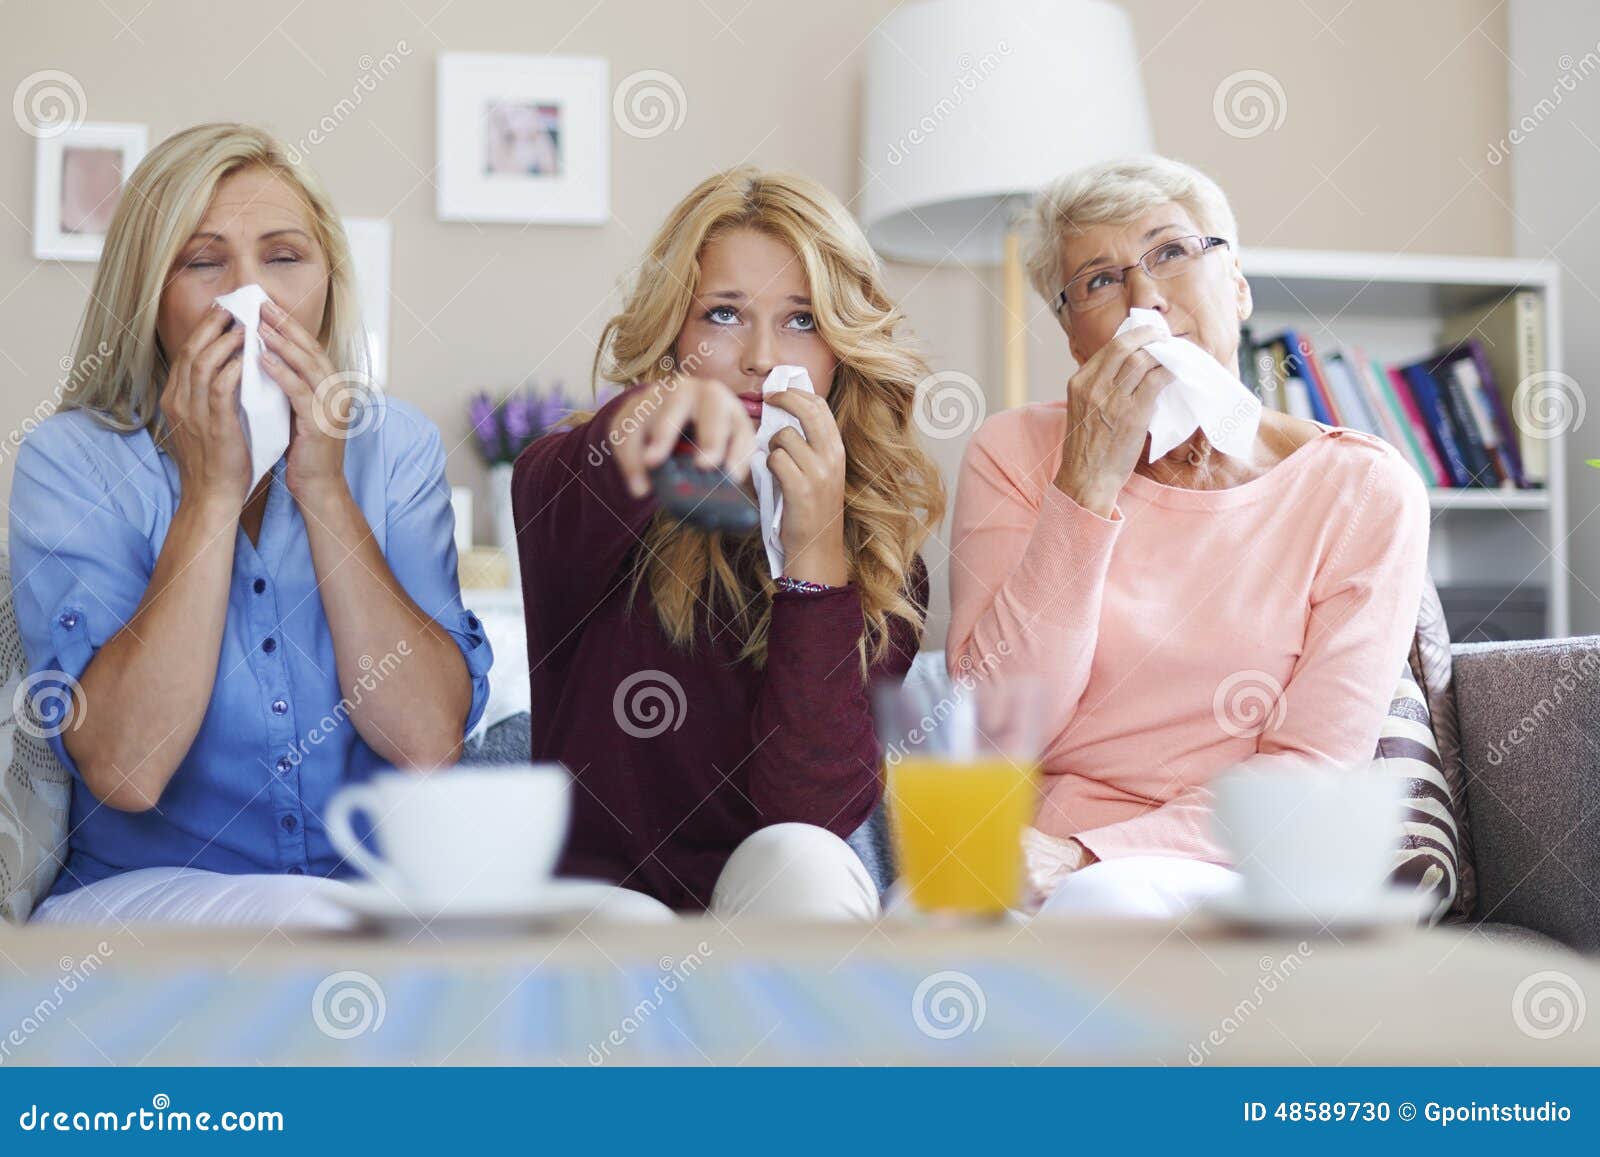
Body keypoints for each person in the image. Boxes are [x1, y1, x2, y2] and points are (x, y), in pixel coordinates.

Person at [10, 123, 491, 927]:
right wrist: (209, 495)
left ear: (329, 283)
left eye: (285, 257)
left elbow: (425, 744)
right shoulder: (70, 461)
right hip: (139, 899)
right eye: (204, 263)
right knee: (309, 919)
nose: (251, 299)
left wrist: (324, 489)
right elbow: (128, 769)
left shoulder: (395, 446)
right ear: (147, 295)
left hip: (371, 903)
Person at [946, 155, 1429, 919]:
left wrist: (1089, 855)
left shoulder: (1363, 488)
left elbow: (1311, 767)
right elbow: (996, 729)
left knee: (1104, 902)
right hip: (1023, 855)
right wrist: (1084, 487)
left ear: (1237, 286)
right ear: (1075, 339)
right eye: (1099, 281)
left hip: (1231, 860)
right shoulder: (1012, 452)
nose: (1145, 298)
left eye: (1171, 251)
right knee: (912, 929)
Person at [512, 167, 945, 920]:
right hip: (601, 910)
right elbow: (585, 480)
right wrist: (657, 411)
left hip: (767, 910)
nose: (760, 356)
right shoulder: (576, 480)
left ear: (841, 350)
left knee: (806, 857)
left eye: (801, 320)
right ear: (674, 335)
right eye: (723, 314)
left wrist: (815, 561)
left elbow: (809, 813)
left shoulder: (882, 559)